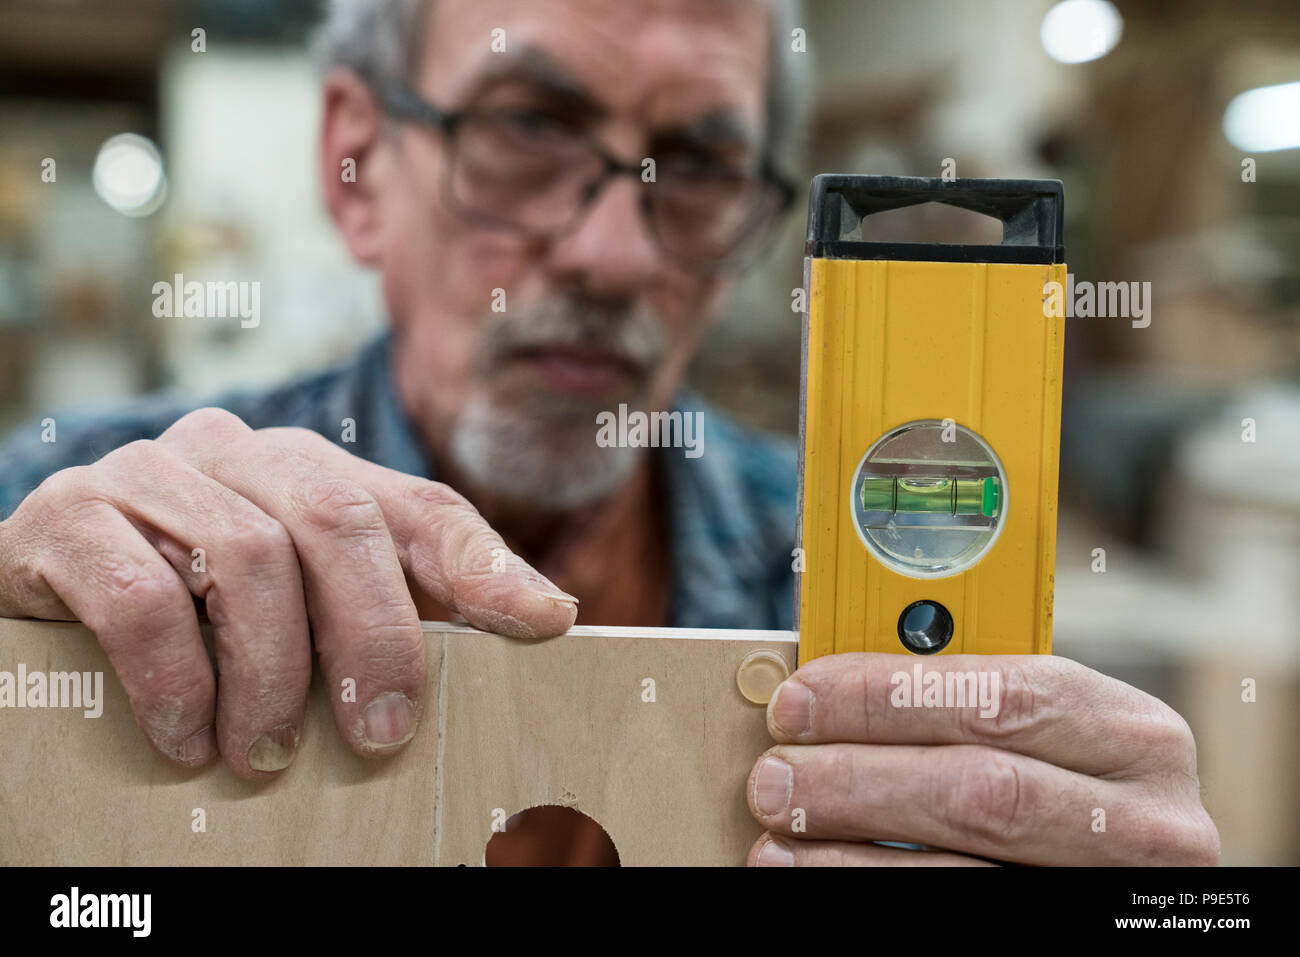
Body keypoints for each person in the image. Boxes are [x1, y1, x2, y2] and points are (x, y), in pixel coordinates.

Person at [0, 0, 1218, 866]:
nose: (613, 252)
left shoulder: (866, 562)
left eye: (692, 166)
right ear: (357, 163)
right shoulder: (76, 509)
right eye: (527, 129)